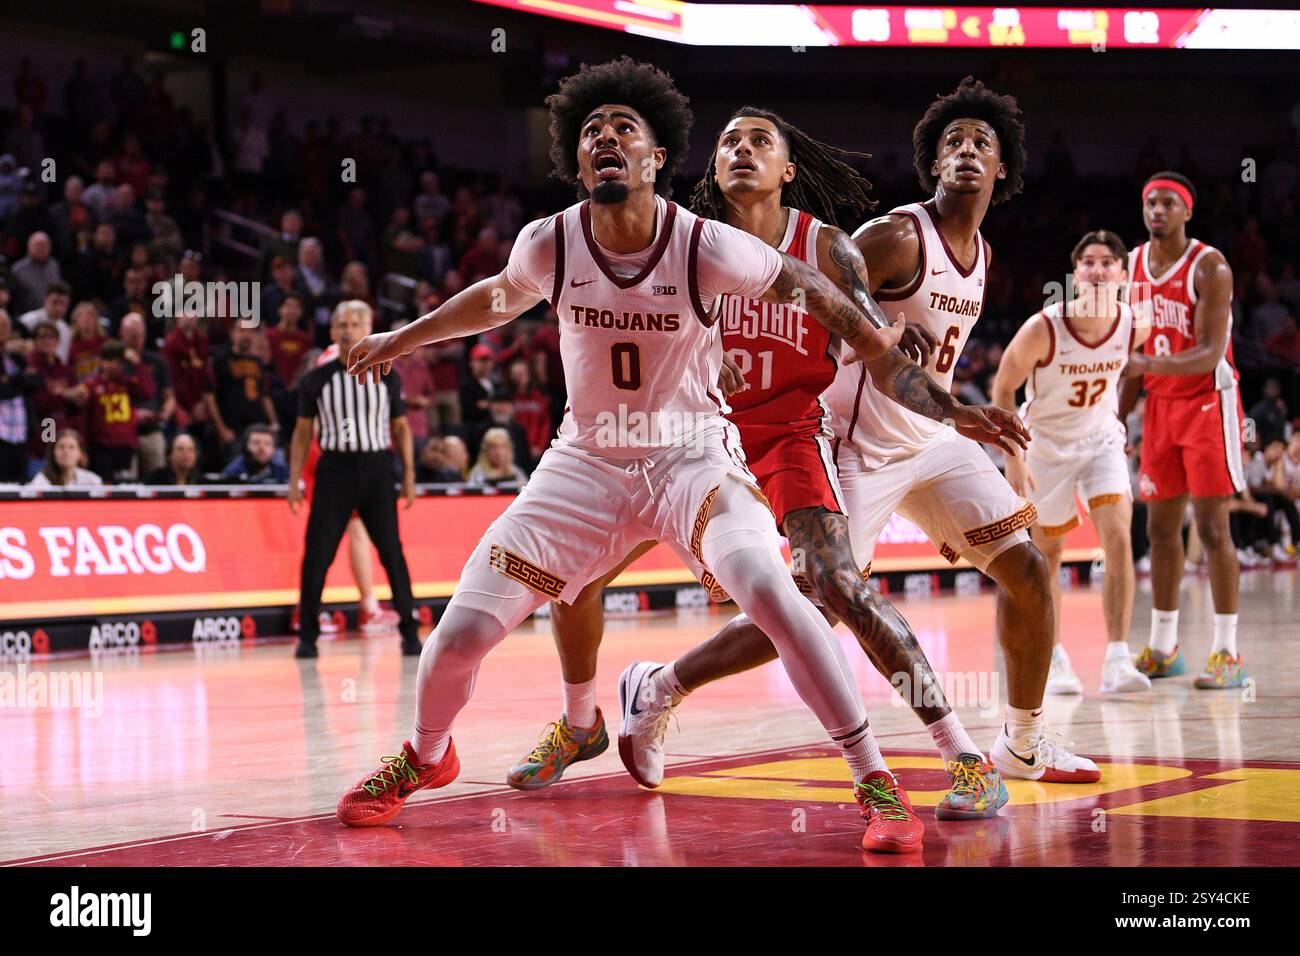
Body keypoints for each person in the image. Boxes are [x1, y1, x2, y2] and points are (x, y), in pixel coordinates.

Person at [335, 58, 985, 852]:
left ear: (656, 157)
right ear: (578, 162)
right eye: (591, 131)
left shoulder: (705, 244)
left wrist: (878, 345)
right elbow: (498, 296)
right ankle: (427, 754)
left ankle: (873, 777)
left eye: (625, 128)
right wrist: (403, 338)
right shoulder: (550, 241)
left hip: (691, 459)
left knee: (777, 593)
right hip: (584, 463)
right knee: (459, 636)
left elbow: (809, 288)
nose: (606, 136)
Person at [509, 106, 1027, 818]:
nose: (742, 150)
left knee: (837, 584)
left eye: (760, 141)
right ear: (712, 167)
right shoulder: (681, 242)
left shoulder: (830, 250)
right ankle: (581, 723)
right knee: (573, 583)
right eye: (728, 142)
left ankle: (962, 754)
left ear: (788, 168)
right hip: (684, 440)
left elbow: (879, 356)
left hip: (788, 434)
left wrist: (954, 410)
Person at [992, 230, 1151, 694]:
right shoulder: (1044, 328)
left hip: (1100, 441)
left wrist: (1119, 415)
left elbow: (1133, 369)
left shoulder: (1134, 324)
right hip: (1046, 445)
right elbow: (1003, 388)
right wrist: (1014, 458)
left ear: (1123, 275)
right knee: (1049, 555)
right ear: (1075, 274)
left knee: (1118, 537)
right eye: (1089, 263)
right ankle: (1056, 656)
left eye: (1108, 262)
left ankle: (1118, 659)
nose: (1098, 270)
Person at [1120, 171, 1248, 689]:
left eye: (1168, 203)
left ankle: (1227, 653)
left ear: (1187, 212)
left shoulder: (1210, 265)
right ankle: (1163, 647)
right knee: (1159, 531)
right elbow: (1131, 355)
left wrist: (1142, 365)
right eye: (1150, 202)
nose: (1157, 210)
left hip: (1208, 403)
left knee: (1213, 529)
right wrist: (1116, 418)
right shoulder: (1131, 265)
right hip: (1159, 407)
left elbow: (1209, 353)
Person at [288, 300, 421, 658]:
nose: (348, 331)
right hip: (335, 471)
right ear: (332, 331)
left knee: (392, 553)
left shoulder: (388, 375)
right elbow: (301, 434)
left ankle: (410, 633)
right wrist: (293, 480)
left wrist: (409, 474)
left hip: (377, 469)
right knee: (317, 555)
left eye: (355, 324)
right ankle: (307, 637)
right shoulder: (315, 380)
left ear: (368, 329)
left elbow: (400, 428)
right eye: (342, 325)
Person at [83, 338, 156, 481]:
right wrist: (84, 448)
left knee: (126, 488)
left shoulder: (129, 383)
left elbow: (148, 392)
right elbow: (85, 420)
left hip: (126, 448)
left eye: (117, 361)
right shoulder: (92, 385)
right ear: (101, 361)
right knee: (104, 488)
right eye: (108, 360)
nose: (112, 365)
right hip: (101, 449)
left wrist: (137, 363)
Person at [0, 310, 42, 481]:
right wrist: (21, 382)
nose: (2, 330)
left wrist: (11, 380)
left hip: (20, 432)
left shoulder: (16, 358)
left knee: (19, 484)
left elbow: (37, 382)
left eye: (5, 326)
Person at [29, 429, 102, 487]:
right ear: (53, 453)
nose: (66, 451)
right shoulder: (41, 480)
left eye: (71, 447)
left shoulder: (92, 481)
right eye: (61, 447)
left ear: (80, 453)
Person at [221, 423, 289, 483]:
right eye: (256, 443)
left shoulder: (282, 470)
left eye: (267, 444)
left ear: (274, 448)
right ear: (246, 446)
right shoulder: (232, 472)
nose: (262, 448)